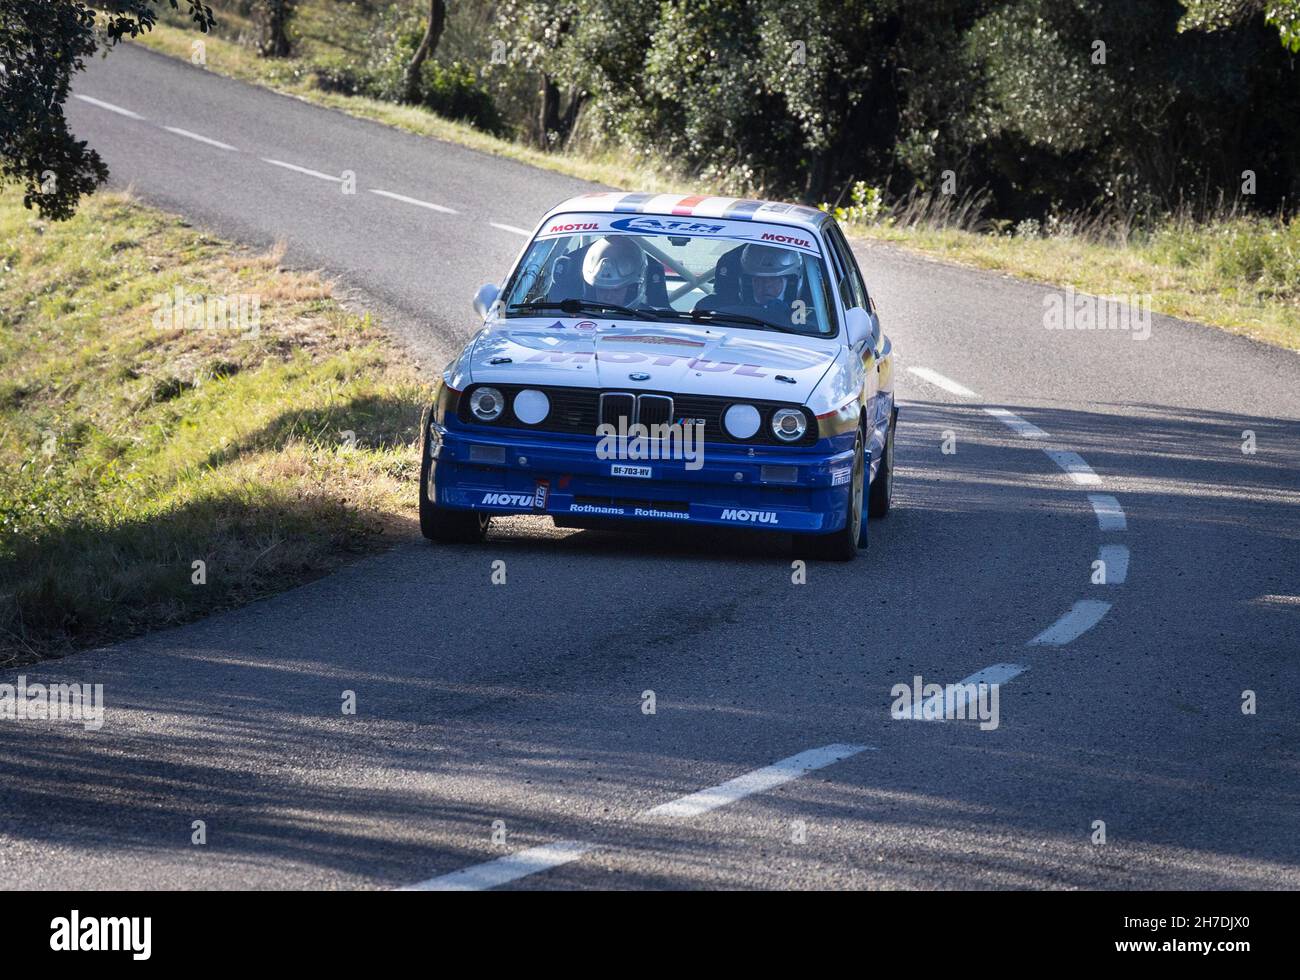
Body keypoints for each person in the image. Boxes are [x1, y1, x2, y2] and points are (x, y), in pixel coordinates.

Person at [581, 236, 646, 307]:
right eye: (602, 290)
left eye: (616, 290)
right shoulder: (574, 315)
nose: (608, 297)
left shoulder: (650, 317)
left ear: (632, 289)